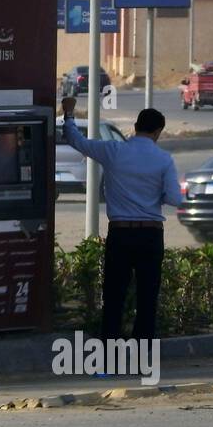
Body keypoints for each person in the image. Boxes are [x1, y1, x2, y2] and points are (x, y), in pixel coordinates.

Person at [60, 97, 182, 341]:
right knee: (147, 298)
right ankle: (140, 355)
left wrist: (69, 114)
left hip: (120, 234)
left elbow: (77, 141)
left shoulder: (113, 151)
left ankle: (109, 353)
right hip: (150, 234)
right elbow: (175, 199)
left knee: (114, 295)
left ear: (135, 127)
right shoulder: (164, 160)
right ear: (158, 132)